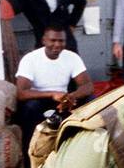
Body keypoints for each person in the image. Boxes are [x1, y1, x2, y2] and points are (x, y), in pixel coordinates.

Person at [13, 24, 94, 154]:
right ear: (44, 40)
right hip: (40, 100)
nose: (57, 45)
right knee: (29, 107)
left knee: (91, 101)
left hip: (63, 100)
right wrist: (52, 94)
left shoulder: (72, 57)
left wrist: (73, 96)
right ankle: (30, 162)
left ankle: (86, 151)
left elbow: (88, 86)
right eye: (53, 40)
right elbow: (21, 93)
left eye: (61, 41)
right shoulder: (30, 59)